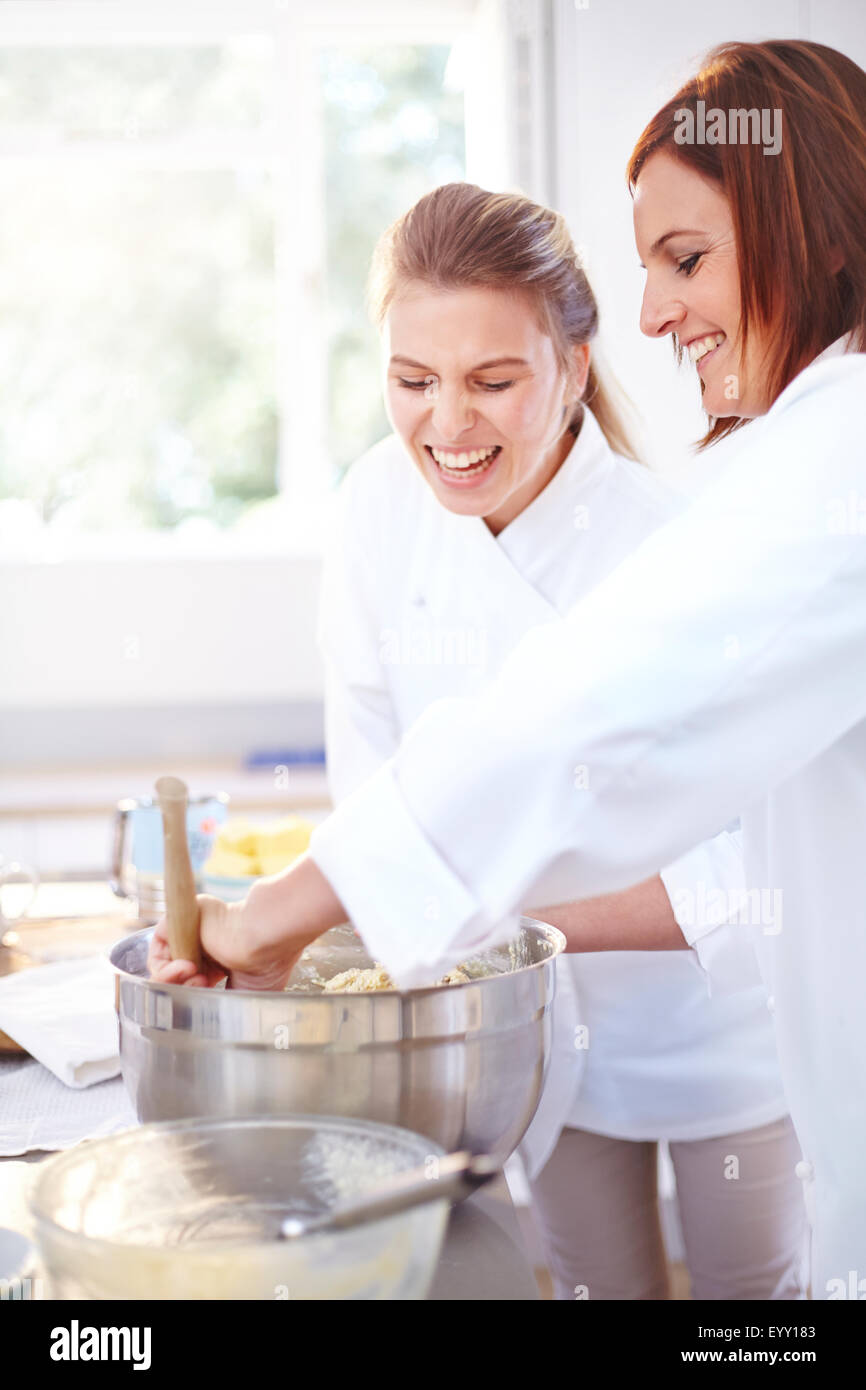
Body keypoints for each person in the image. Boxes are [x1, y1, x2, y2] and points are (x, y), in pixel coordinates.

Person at [149, 40, 866, 1298]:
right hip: (592, 1050)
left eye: (686, 260)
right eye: (413, 381)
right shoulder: (386, 514)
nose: (653, 313)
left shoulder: (821, 472)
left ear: (807, 230)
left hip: (732, 1057)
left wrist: (298, 913)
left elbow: (574, 721)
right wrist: (372, 907)